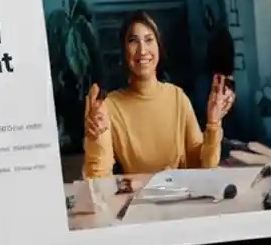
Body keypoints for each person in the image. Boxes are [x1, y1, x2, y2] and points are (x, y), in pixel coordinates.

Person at [82, 11, 235, 178]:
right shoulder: (110, 106)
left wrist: (213, 123)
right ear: (124, 52)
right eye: (133, 41)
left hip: (181, 199)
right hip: (138, 200)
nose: (142, 50)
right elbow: (98, 179)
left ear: (158, 48)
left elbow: (202, 167)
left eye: (149, 40)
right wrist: (95, 139)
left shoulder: (177, 97)